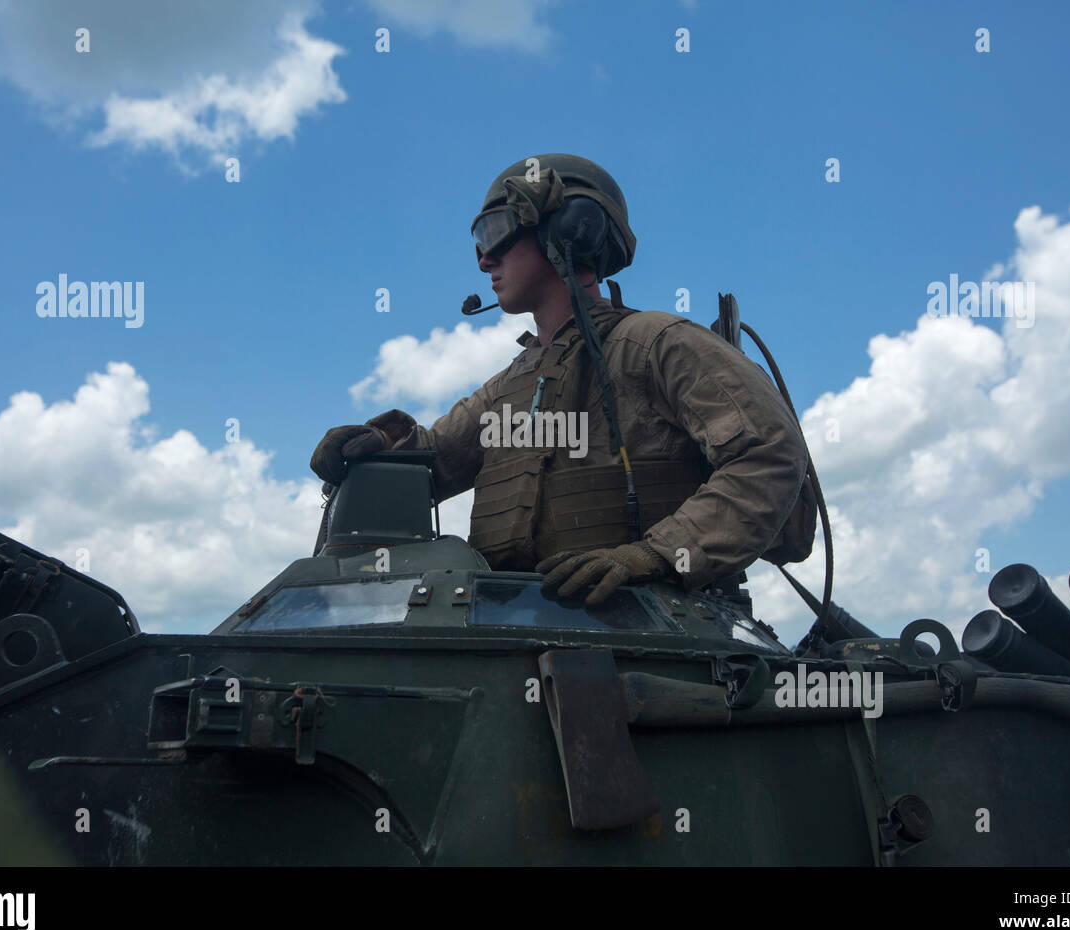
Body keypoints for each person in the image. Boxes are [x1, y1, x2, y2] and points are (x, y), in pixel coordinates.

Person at [313, 153, 815, 605]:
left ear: (572, 230)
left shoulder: (656, 344)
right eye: (479, 242)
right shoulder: (512, 384)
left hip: (648, 629)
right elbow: (432, 460)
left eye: (496, 232)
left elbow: (770, 451)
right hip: (515, 631)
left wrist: (658, 555)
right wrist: (374, 447)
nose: (484, 259)